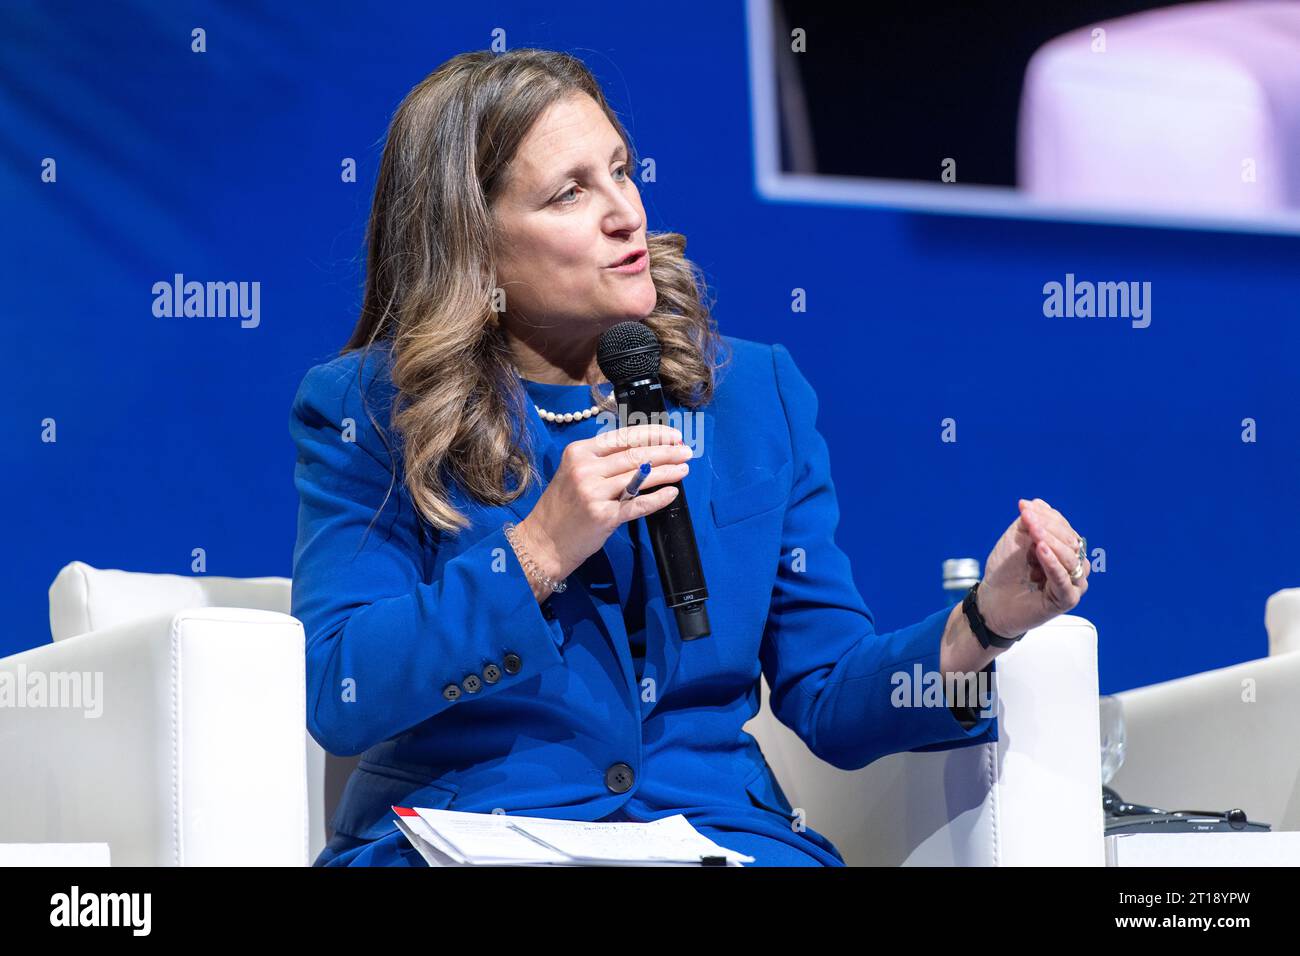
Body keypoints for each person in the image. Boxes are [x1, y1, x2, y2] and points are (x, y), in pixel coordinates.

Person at [289, 48, 1090, 867]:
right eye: (570, 193)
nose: (625, 213)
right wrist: (536, 550)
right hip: (473, 838)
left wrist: (985, 623)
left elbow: (830, 696)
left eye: (620, 171)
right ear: (473, 243)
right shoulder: (374, 410)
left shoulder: (751, 397)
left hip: (714, 839)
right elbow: (339, 690)